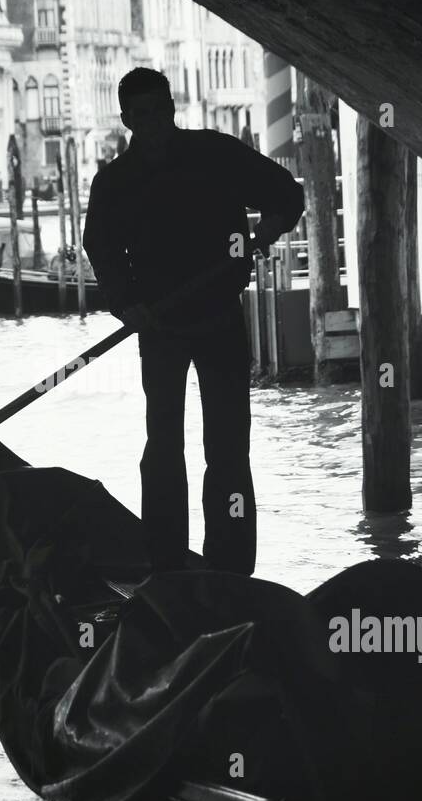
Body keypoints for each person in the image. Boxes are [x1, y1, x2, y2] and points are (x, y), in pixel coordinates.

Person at [82, 68, 304, 576]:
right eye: (143, 115)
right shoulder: (114, 182)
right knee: (163, 446)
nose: (155, 122)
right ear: (127, 120)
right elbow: (102, 247)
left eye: (161, 111)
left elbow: (287, 196)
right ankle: (167, 565)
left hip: (220, 318)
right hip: (158, 329)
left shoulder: (216, 155)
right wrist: (126, 304)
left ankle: (231, 568)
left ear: (172, 109)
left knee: (228, 446)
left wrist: (260, 237)